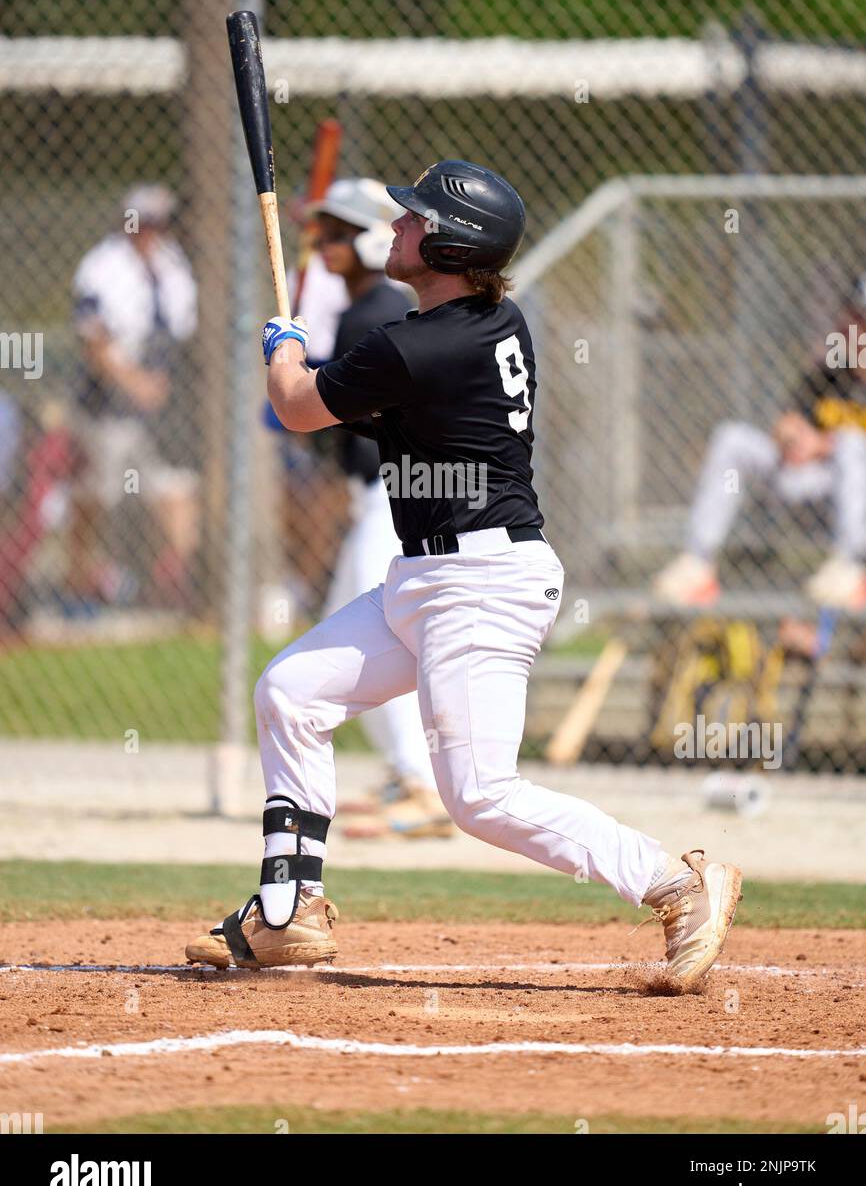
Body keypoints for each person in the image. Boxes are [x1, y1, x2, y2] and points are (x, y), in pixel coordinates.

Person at [187, 159, 741, 990]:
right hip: (428, 580)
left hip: (480, 587)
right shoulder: (482, 322)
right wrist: (317, 355)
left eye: (413, 221)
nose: (397, 229)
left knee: (479, 797)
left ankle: (676, 883)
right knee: (291, 692)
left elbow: (295, 408)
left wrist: (287, 347)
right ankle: (288, 909)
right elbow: (382, 414)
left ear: (449, 242)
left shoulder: (426, 342)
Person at [310, 177, 454, 839]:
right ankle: (408, 773)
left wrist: (297, 377)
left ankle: (424, 786)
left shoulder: (374, 313)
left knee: (370, 638)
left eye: (339, 233)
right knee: (343, 632)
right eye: (324, 232)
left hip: (396, 498)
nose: (325, 244)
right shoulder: (361, 308)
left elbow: (335, 409)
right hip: (379, 494)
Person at [655, 281, 866, 610]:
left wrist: (823, 445)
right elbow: (786, 422)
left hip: (851, 501)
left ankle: (852, 568)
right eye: (853, 317)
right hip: (805, 485)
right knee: (732, 437)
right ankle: (697, 563)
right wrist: (793, 438)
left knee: (851, 444)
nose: (854, 327)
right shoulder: (829, 375)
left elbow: (846, 449)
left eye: (861, 320)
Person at [69, 185, 199, 608]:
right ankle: (81, 584)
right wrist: (135, 382)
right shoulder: (102, 267)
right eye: (148, 224)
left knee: (176, 487)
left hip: (163, 400)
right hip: (110, 400)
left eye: (162, 224)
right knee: (97, 494)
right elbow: (94, 339)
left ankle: (175, 585)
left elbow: (180, 331)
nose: (155, 233)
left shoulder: (173, 263)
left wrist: (160, 383)